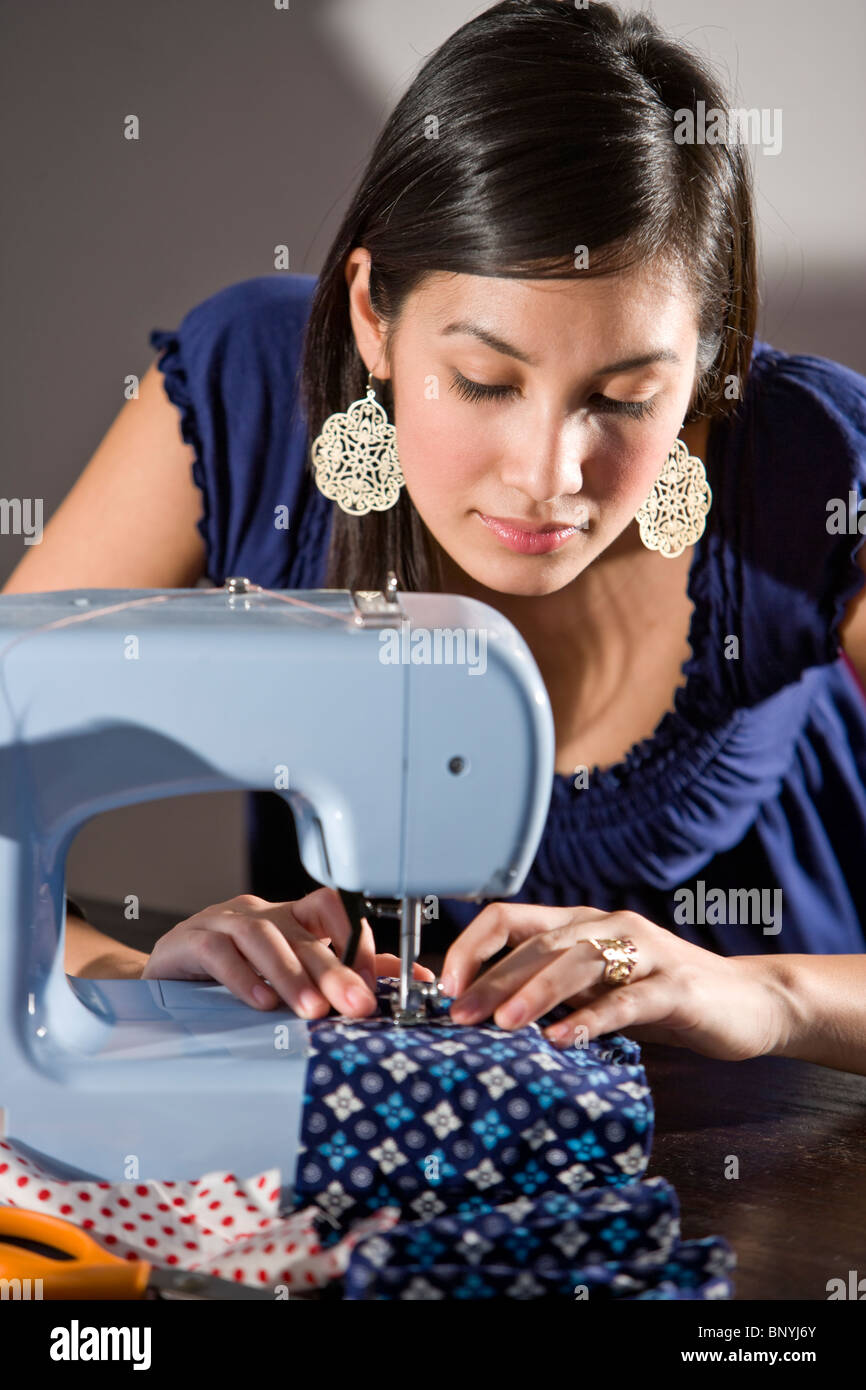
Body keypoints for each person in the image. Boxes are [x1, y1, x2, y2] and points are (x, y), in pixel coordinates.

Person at [4, 1, 866, 1074]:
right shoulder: (248, 402)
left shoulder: (811, 468)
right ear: (371, 313)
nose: (548, 475)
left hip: (788, 1126)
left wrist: (761, 989)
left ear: (704, 364)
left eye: (627, 397)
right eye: (481, 381)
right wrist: (140, 982)